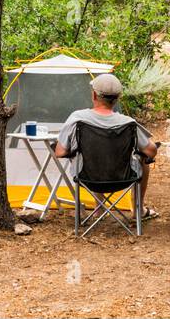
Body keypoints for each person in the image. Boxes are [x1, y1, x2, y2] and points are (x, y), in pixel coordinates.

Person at [54, 72, 160, 222]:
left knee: (91, 156)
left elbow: (60, 152)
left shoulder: (77, 118)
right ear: (117, 99)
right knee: (143, 159)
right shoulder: (128, 123)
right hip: (122, 178)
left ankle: (100, 207)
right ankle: (138, 209)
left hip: (86, 177)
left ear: (94, 96)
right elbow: (151, 151)